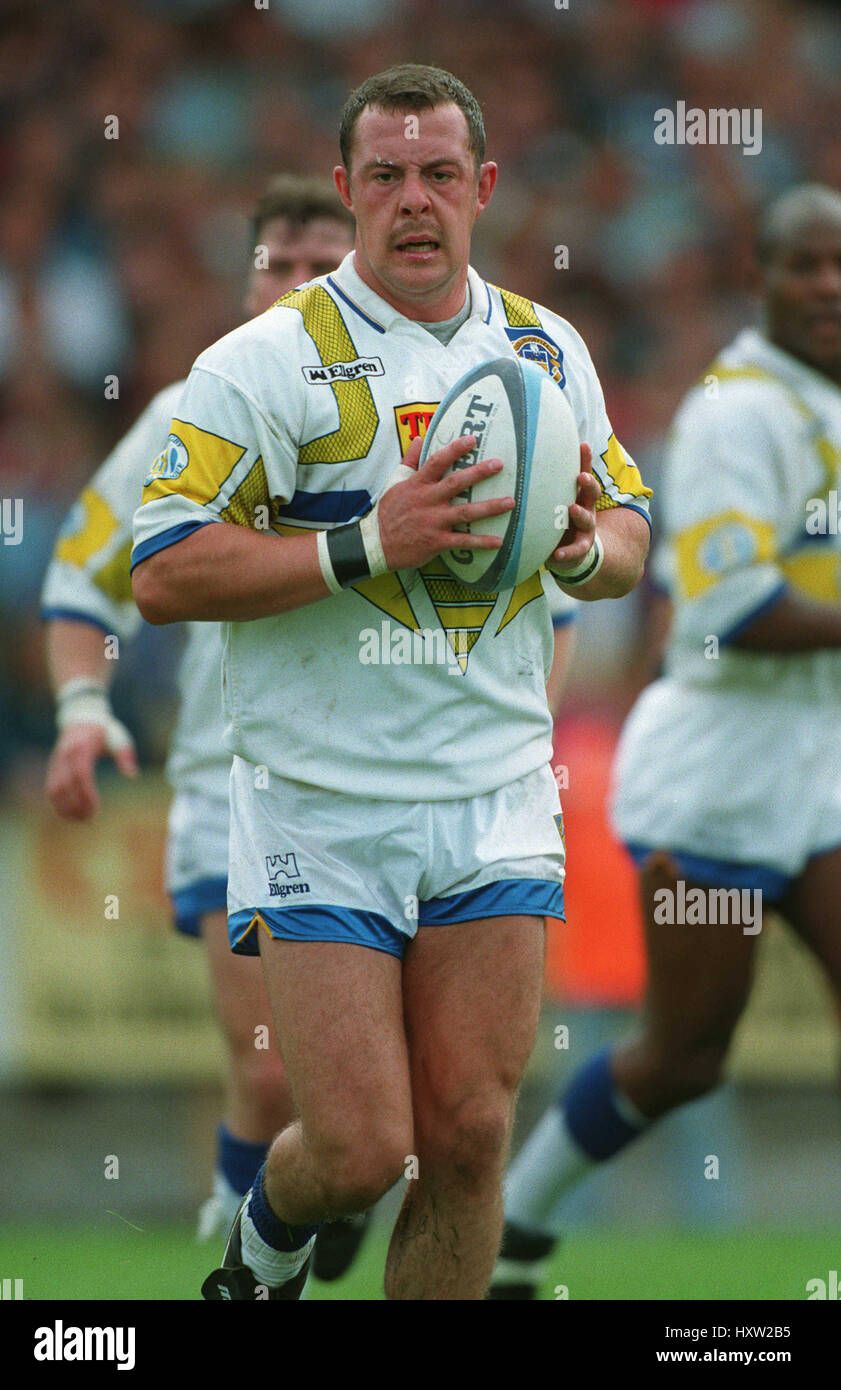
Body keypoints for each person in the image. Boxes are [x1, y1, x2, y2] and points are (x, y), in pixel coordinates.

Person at [131, 63, 651, 1302]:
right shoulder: (260, 362)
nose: (411, 201)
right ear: (344, 190)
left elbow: (630, 528)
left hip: (492, 795)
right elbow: (160, 569)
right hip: (322, 801)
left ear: (480, 186)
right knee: (365, 1148)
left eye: (434, 176)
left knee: (467, 1137)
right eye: (384, 177)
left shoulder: (543, 349)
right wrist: (367, 539)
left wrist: (580, 542)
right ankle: (258, 1263)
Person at [491, 183, 841, 1298]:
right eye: (802, 265)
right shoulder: (739, 413)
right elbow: (735, 609)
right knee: (683, 1055)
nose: (826, 286)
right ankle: (516, 1225)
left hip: (820, 758)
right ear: (760, 278)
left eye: (840, 264)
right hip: (717, 772)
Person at [42, 177, 367, 1278]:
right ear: (247, 276)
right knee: (273, 1076)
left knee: (393, 1114)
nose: (296, 286)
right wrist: (83, 709)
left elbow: (555, 600)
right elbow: (83, 582)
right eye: (277, 263)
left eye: (324, 267)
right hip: (232, 787)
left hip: (397, 786)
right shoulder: (190, 407)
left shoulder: (431, 405)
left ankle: (335, 1188)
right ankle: (247, 1267)